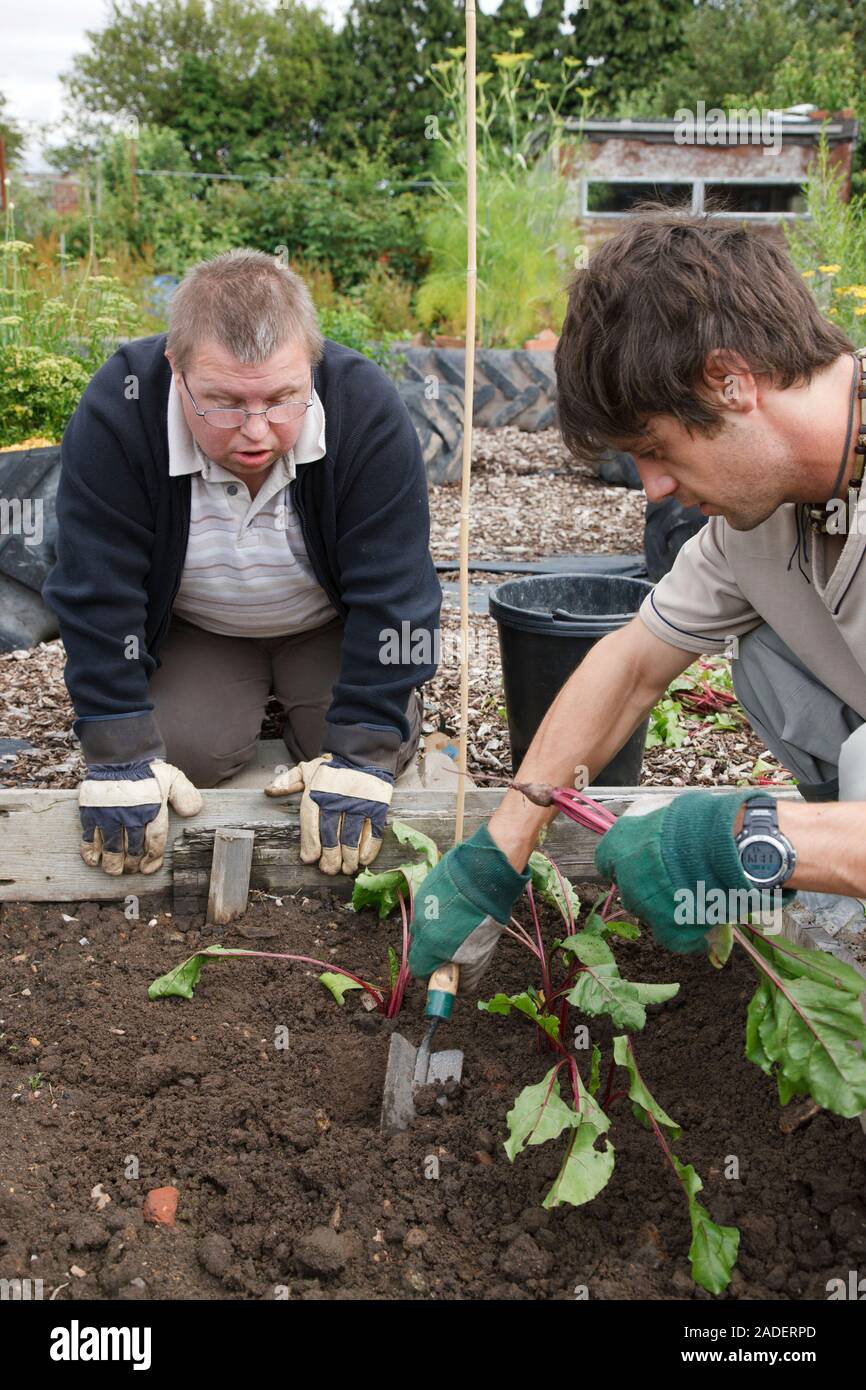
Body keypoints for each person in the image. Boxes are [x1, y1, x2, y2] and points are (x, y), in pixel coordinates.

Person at [409, 201, 866, 986]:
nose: (652, 489)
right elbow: (630, 665)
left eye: (656, 449)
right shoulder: (757, 519)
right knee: (770, 652)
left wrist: (751, 838)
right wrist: (504, 840)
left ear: (729, 381)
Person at [44, 249, 440, 879]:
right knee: (179, 756)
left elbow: (398, 592)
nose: (256, 431)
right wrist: (117, 747)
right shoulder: (120, 406)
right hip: (202, 627)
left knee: (348, 752)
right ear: (176, 370)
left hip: (325, 624)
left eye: (283, 399)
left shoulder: (363, 405)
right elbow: (97, 586)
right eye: (224, 403)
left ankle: (322, 712)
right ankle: (245, 698)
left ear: (310, 364)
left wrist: (365, 749)